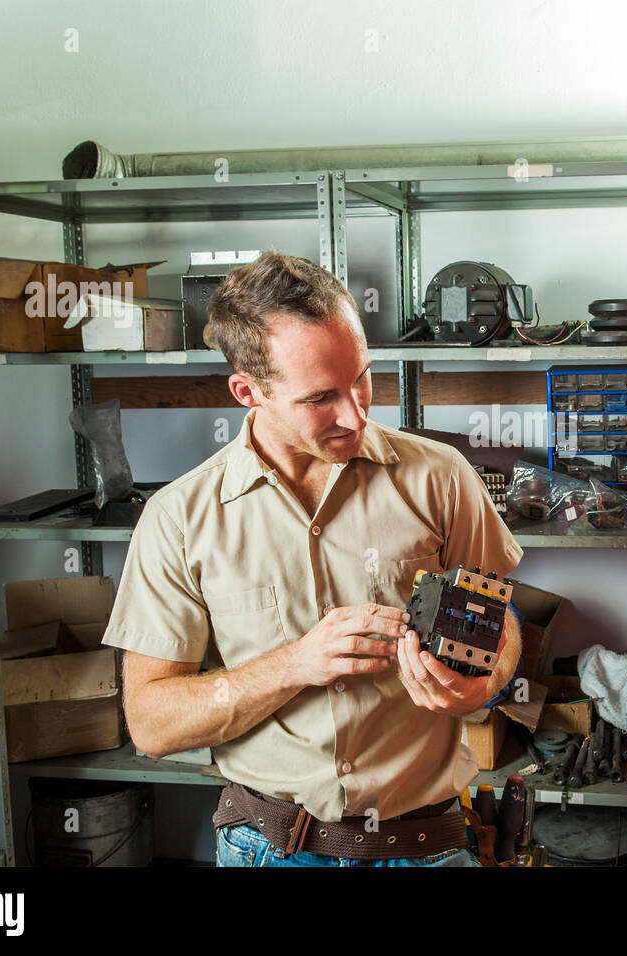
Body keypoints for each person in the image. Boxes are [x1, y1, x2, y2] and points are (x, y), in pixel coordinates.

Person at [100, 251, 524, 867]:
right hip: (270, 848)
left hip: (425, 845)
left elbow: (499, 622)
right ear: (249, 391)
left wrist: (480, 682)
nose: (355, 413)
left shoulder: (441, 479)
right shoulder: (179, 519)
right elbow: (153, 724)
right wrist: (296, 663)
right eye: (321, 397)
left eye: (362, 378)